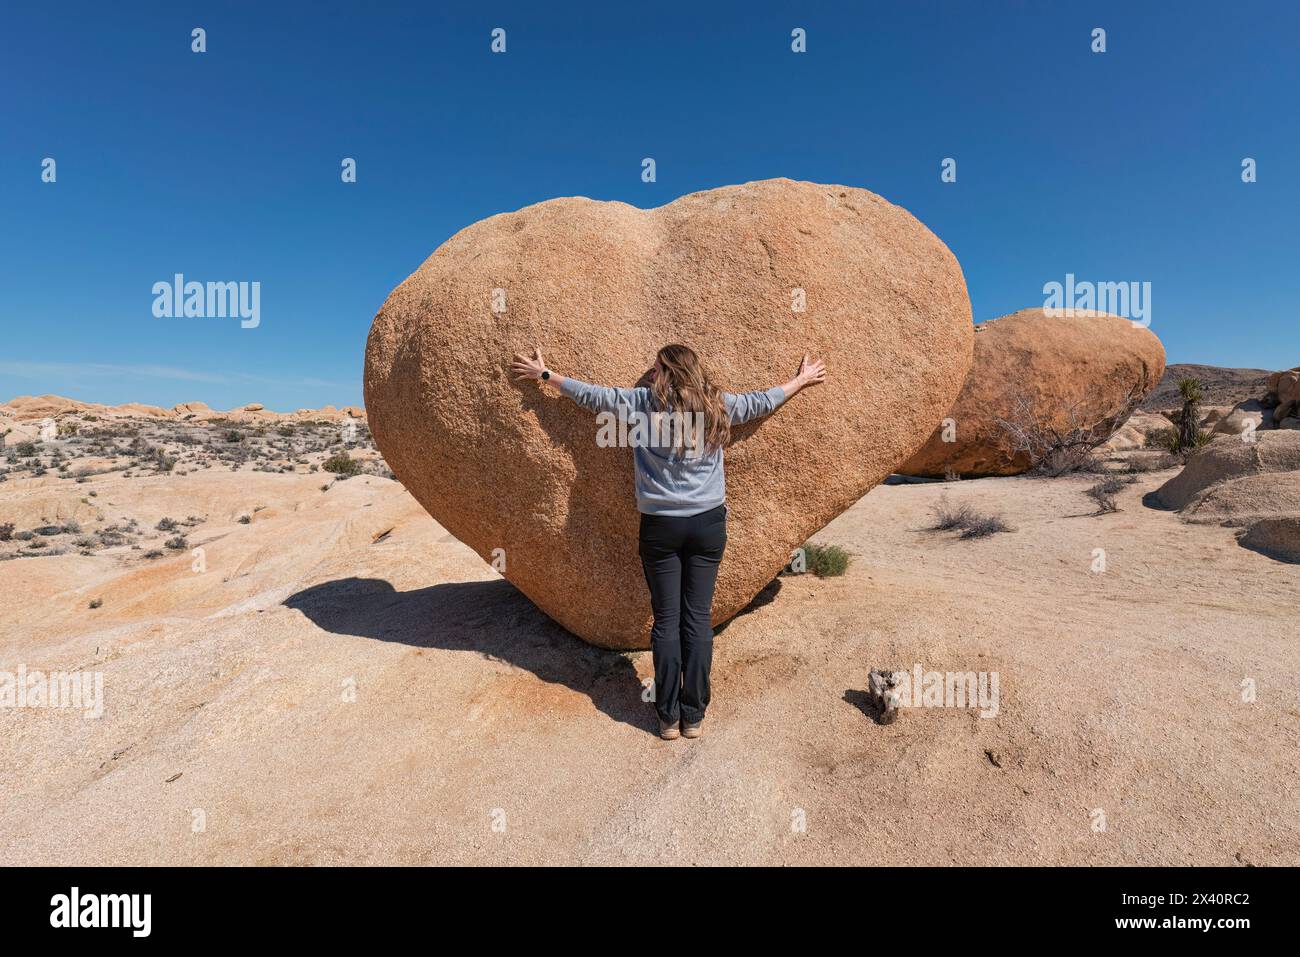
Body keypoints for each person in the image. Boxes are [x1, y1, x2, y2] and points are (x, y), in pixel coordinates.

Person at [511, 343, 825, 740]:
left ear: (668, 371)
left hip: (661, 527)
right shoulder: (716, 406)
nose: (650, 373)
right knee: (697, 619)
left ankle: (668, 718)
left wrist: (544, 375)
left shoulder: (642, 405)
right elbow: (761, 402)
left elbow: (592, 396)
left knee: (666, 622)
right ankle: (694, 715)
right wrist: (800, 380)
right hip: (707, 525)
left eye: (656, 368)